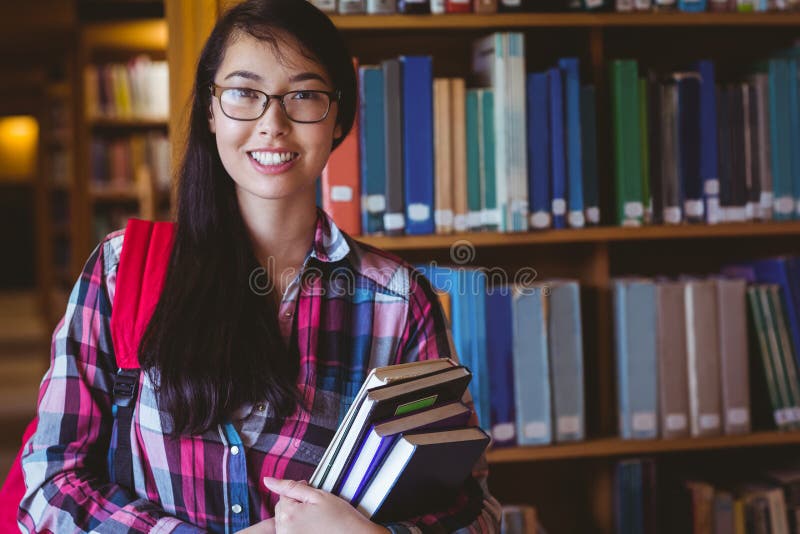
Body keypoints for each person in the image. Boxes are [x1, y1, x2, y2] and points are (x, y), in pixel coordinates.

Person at [19, 0, 502, 532]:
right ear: (210, 109)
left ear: (338, 116)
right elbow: (50, 482)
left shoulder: (397, 301)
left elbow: (471, 507)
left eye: (303, 95)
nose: (273, 124)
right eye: (244, 93)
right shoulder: (120, 271)